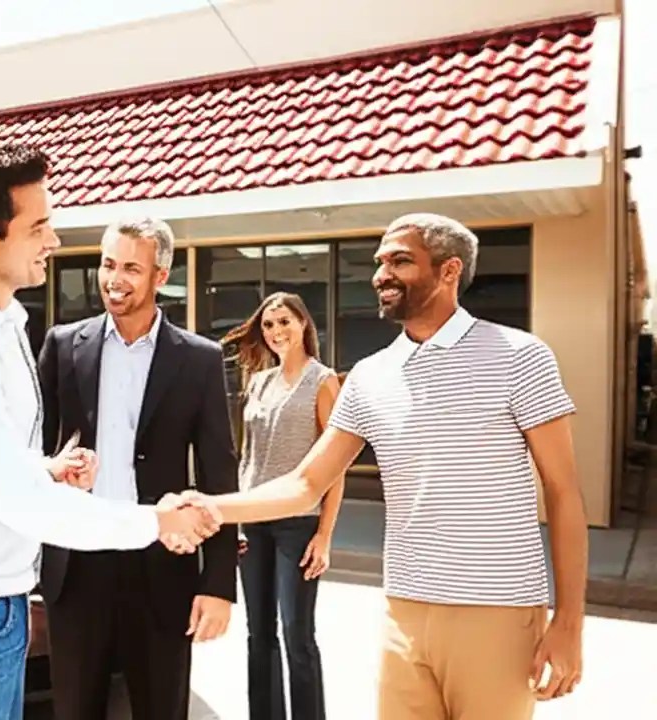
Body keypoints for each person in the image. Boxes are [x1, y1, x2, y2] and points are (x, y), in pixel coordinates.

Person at [169, 213, 587, 720]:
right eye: (380, 261)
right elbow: (305, 483)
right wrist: (208, 503)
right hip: (403, 613)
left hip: (496, 613)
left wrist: (568, 621)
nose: (380, 273)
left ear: (450, 270)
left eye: (400, 261)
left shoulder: (520, 357)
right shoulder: (369, 376)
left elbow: (564, 493)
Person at [0, 144, 221, 720]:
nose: (54, 241)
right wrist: (157, 522)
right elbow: (19, 503)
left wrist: (46, 470)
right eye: (38, 227)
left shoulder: (2, 322)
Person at [36, 217, 239, 720]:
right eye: (108, 264)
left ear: (160, 275)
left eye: (131, 267)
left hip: (161, 565)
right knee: (74, 710)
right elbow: (34, 451)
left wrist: (217, 584)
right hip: (76, 565)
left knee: (161, 709)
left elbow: (219, 475)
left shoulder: (198, 360)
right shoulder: (63, 346)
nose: (114, 279)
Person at [222, 291, 343, 720]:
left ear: (304, 324)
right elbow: (247, 458)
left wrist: (324, 536)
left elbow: (336, 467)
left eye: (284, 322)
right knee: (259, 634)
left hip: (298, 524)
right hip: (253, 524)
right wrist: (235, 519)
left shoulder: (323, 381)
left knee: (297, 633)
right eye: (269, 325)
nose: (276, 332)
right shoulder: (258, 382)